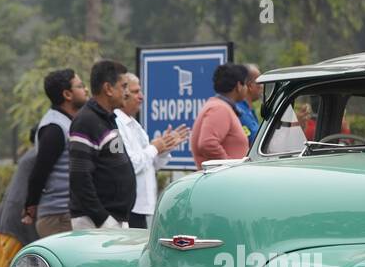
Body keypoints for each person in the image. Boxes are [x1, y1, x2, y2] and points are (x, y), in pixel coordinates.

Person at [114, 72, 187, 229]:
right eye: (135, 92)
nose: (141, 97)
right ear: (122, 93)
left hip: (142, 206)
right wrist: (155, 147)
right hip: (129, 207)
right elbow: (131, 166)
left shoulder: (135, 125)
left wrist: (165, 147)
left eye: (140, 91)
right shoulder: (117, 123)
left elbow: (151, 165)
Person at [68, 59, 134, 229]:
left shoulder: (108, 119)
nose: (127, 93)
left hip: (113, 220)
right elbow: (80, 177)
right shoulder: (86, 121)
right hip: (95, 222)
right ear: (108, 89)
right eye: (124, 86)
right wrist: (103, 219)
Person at [23, 69, 88, 238]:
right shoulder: (54, 128)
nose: (86, 89)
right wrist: (31, 206)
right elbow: (39, 172)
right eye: (80, 86)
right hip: (58, 215)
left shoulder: (68, 122)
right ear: (67, 94)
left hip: (68, 213)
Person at [190, 63, 250, 168]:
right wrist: (229, 165)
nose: (246, 89)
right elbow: (207, 143)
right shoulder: (219, 109)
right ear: (239, 86)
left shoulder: (220, 106)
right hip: (223, 179)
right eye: (245, 84)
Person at [234, 63, 262, 144]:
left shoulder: (248, 110)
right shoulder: (240, 112)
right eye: (260, 82)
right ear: (250, 86)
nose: (262, 86)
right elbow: (256, 142)